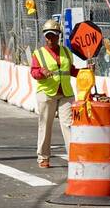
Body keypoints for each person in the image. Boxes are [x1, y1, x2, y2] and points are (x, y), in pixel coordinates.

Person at [31, 17, 81, 169]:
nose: (50, 39)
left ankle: (73, 157)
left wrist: (84, 72)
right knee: (45, 125)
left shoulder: (66, 51)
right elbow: (33, 72)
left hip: (66, 93)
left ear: (59, 36)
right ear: (45, 37)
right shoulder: (38, 53)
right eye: (48, 36)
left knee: (69, 125)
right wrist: (42, 72)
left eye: (53, 35)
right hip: (47, 93)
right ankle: (43, 157)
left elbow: (71, 70)